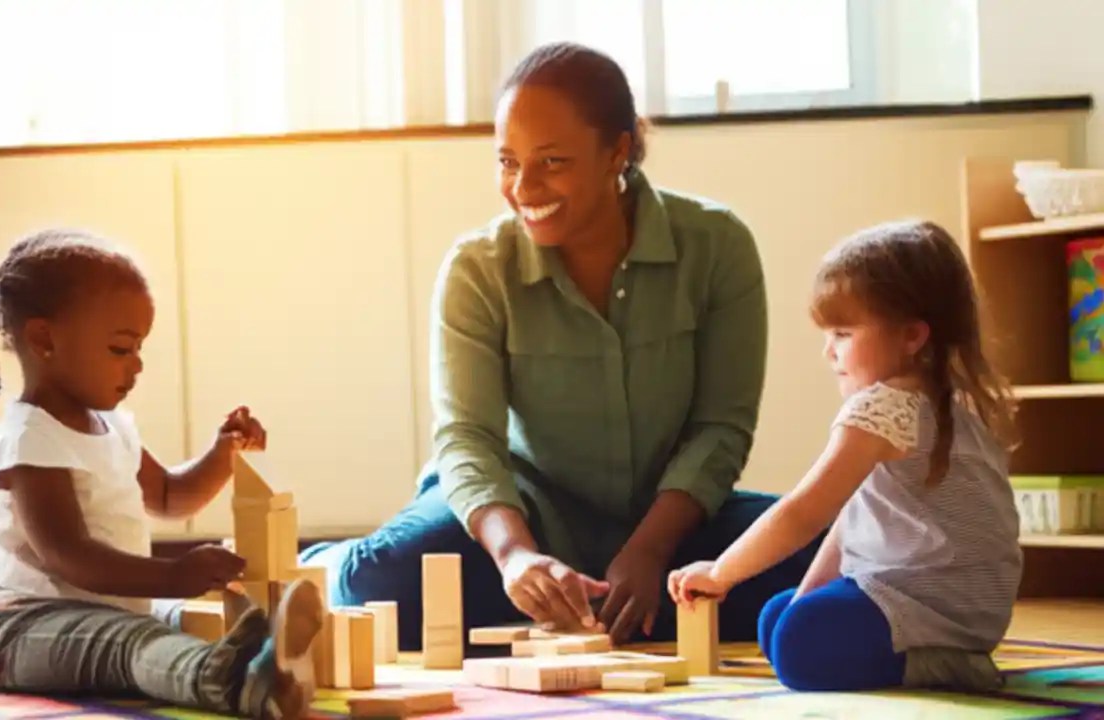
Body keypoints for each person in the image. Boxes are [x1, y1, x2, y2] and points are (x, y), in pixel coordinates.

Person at [300, 41, 820, 648]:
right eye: (507, 161)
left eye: (551, 161)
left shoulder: (719, 247)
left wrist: (651, 550)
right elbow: (467, 439)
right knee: (381, 584)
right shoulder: (478, 269)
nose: (523, 186)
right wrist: (516, 556)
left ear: (616, 153)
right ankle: (328, 565)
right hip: (520, 517)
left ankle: (612, 601)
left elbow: (721, 428)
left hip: (669, 526)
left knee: (831, 553)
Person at [0, 229, 324, 719]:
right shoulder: (31, 439)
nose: (138, 365)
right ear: (45, 340)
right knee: (137, 640)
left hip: (105, 609)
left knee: (179, 618)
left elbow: (170, 497)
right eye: (120, 348)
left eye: (139, 348)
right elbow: (68, 555)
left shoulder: (112, 426)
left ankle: (266, 652)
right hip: (18, 627)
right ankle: (231, 681)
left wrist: (223, 454)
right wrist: (173, 573)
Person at [668, 220, 1022, 692]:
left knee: (798, 643)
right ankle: (938, 649)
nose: (828, 352)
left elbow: (804, 511)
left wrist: (720, 572)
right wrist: (808, 596)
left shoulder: (881, 408)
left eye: (842, 333)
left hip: (925, 600)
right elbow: (848, 519)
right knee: (780, 617)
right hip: (969, 604)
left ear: (912, 336)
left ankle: (944, 664)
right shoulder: (951, 403)